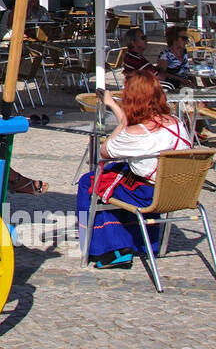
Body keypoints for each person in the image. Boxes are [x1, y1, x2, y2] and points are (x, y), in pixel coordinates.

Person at [77, 72, 192, 268]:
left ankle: (108, 249)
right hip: (178, 190)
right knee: (117, 176)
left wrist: (122, 121)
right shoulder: (176, 123)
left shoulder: (137, 135)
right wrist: (113, 105)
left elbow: (103, 153)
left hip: (147, 195)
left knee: (91, 181)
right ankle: (141, 240)